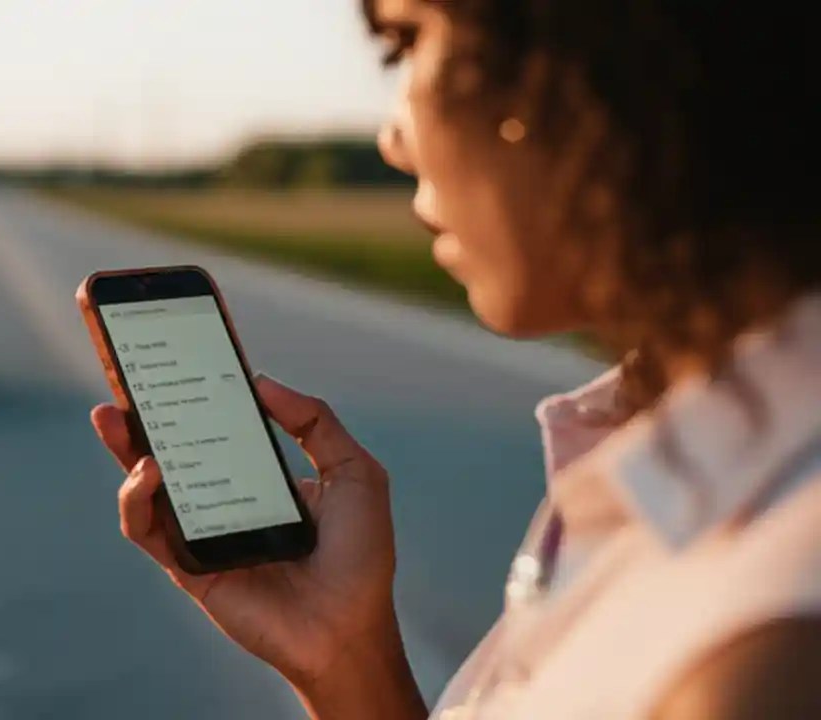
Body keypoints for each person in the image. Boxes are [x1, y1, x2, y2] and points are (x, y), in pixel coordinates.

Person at [91, 0, 820, 717]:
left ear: (588, 51)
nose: (393, 140)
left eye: (406, 40)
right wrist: (346, 659)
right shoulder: (676, 468)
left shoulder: (760, 657)